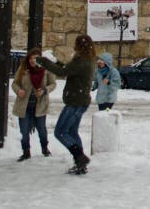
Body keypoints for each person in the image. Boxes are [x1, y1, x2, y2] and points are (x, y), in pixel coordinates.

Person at [36, 35, 96, 174]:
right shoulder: (85, 60)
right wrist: (55, 61)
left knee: (60, 132)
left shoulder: (82, 61)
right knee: (72, 132)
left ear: (80, 46)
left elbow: (63, 72)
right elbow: (68, 69)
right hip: (79, 100)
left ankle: (80, 157)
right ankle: (80, 163)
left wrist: (44, 61)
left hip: (75, 102)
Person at [12, 47, 57, 161]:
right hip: (24, 106)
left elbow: (53, 84)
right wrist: (19, 91)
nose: (32, 60)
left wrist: (45, 90)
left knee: (42, 130)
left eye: (35, 58)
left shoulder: (46, 70)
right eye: (31, 58)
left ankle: (44, 148)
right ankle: (26, 152)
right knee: (24, 131)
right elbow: (15, 83)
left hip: (40, 105)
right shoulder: (23, 69)